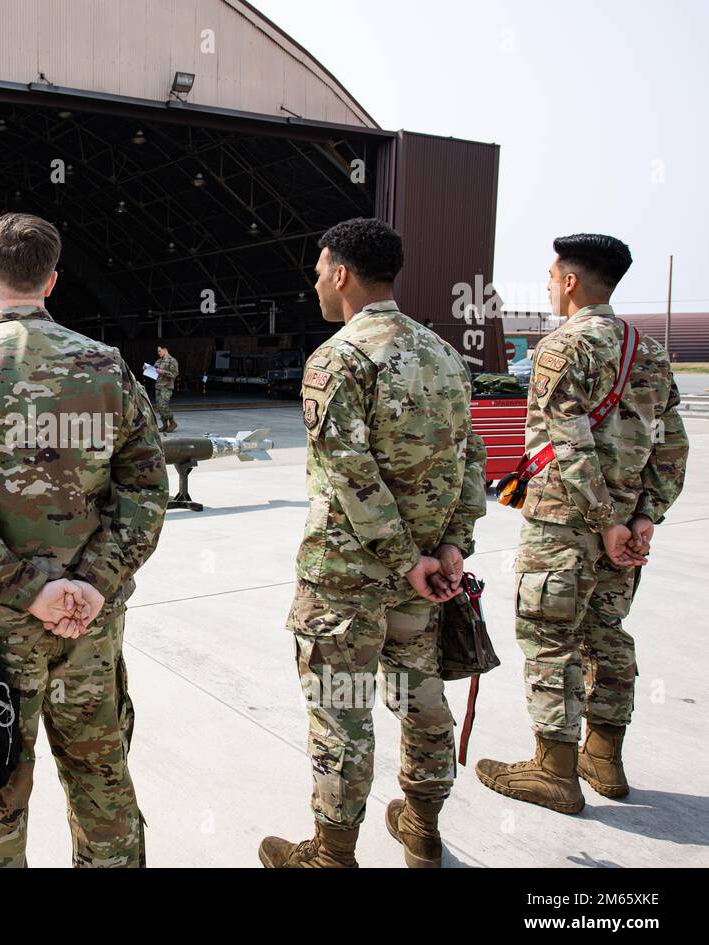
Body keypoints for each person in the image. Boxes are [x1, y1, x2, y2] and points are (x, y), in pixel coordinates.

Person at [0, 212, 169, 868]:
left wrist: (29, 591)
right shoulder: (108, 368)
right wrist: (90, 583)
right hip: (89, 627)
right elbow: (145, 491)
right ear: (51, 279)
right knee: (102, 789)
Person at [260, 218, 487, 869]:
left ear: (341, 273)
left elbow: (351, 474)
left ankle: (332, 854)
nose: (314, 282)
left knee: (342, 714)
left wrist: (405, 557)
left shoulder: (337, 359)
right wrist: (449, 548)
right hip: (423, 581)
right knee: (422, 701)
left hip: (347, 583)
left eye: (318, 269)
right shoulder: (443, 355)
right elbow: (471, 458)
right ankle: (422, 827)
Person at [477, 234, 689, 812]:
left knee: (550, 640)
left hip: (565, 526)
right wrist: (644, 517)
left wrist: (602, 521)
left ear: (570, 282)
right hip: (623, 531)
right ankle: (605, 758)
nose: (548, 285)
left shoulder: (561, 347)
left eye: (551, 276)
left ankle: (555, 771)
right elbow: (673, 445)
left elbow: (569, 447)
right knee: (607, 635)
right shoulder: (648, 351)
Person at [153, 344, 180, 433]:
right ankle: (165, 425)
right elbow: (154, 371)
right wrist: (147, 369)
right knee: (159, 407)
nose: (158, 353)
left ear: (165, 350)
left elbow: (174, 374)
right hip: (158, 387)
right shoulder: (158, 361)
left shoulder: (172, 361)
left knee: (163, 405)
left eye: (159, 351)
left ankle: (172, 422)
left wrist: (162, 372)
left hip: (166, 387)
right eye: (158, 351)